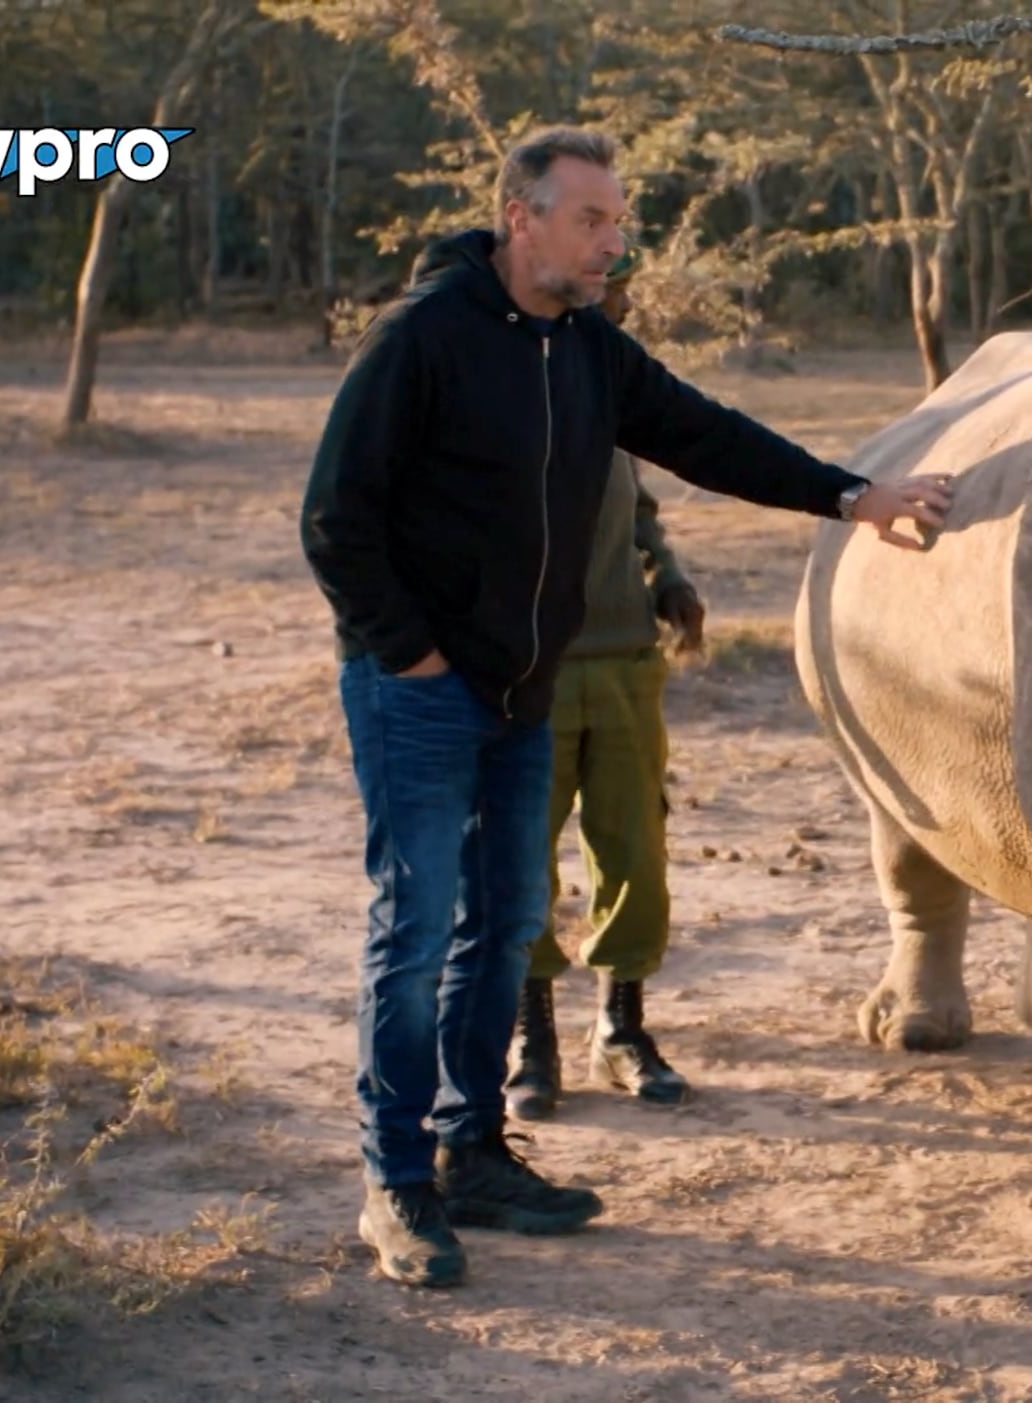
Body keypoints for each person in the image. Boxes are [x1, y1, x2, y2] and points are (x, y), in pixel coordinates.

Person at [300, 125, 952, 1290]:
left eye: (618, 221)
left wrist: (851, 494)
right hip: (423, 698)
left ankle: (473, 1153)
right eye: (592, 220)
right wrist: (410, 658)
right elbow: (333, 518)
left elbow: (705, 436)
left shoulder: (589, 350)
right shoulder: (424, 338)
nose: (615, 242)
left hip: (521, 693)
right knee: (413, 936)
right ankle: (394, 1183)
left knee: (500, 927)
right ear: (522, 216)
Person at [504, 247, 708, 1119]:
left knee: (636, 850)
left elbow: (639, 503)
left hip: (626, 660)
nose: (614, 302)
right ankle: (530, 1036)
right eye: (604, 287)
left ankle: (621, 1028)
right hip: (530, 668)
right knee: (519, 860)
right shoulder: (498, 379)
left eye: (620, 290)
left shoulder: (612, 385)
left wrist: (668, 576)